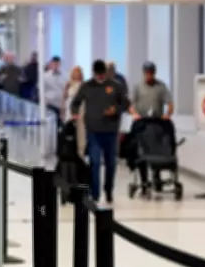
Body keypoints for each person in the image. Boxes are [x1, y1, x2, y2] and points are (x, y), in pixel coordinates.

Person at [70, 59, 131, 206]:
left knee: (110, 163)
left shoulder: (116, 86)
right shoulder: (87, 86)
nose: (100, 77)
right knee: (95, 162)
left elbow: (126, 103)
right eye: (98, 75)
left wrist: (115, 110)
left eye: (102, 74)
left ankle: (109, 190)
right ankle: (95, 193)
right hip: (93, 131)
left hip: (110, 131)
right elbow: (76, 102)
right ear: (94, 73)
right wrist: (75, 113)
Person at [129, 61, 174, 189]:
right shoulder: (138, 87)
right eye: (147, 74)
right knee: (141, 151)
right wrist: (134, 114)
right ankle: (143, 179)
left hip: (157, 123)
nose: (149, 76)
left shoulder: (161, 87)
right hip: (142, 123)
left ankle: (157, 175)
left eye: (151, 74)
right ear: (144, 74)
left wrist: (168, 114)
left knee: (157, 149)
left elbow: (170, 103)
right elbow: (131, 105)